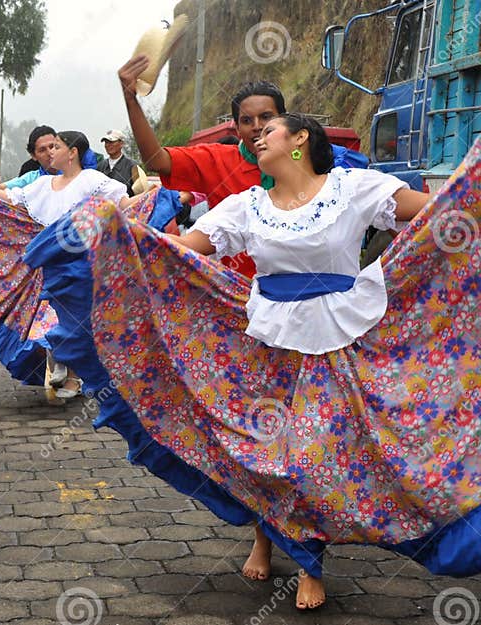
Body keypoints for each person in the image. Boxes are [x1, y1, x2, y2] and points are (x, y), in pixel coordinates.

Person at [25, 113, 481, 613]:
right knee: (265, 454)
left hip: (337, 346)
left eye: (270, 129)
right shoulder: (247, 205)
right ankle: (289, 549)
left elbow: (439, 213)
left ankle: (306, 556)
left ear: (301, 139)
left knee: (313, 456)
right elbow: (184, 249)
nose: (258, 136)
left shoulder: (354, 188)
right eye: (253, 130)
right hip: (264, 348)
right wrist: (123, 234)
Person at [117, 56, 368, 277]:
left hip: (311, 295)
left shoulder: (316, 160)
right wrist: (131, 101)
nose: (257, 126)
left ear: (285, 121)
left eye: (267, 117)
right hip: (239, 300)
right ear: (236, 128)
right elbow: (156, 160)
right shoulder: (215, 161)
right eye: (247, 120)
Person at [0, 131, 138, 402]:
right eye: (48, 147)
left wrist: (156, 198)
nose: (51, 152)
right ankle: (61, 364)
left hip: (81, 266)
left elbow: (124, 205)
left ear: (73, 152)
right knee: (47, 322)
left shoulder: (92, 180)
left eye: (56, 146)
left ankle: (73, 376)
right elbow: (7, 196)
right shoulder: (42, 185)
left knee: (75, 321)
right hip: (47, 268)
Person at [95, 129, 138, 195]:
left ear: (121, 144)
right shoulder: (100, 166)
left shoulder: (132, 166)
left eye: (112, 142)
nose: (108, 145)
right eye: (106, 142)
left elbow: (139, 192)